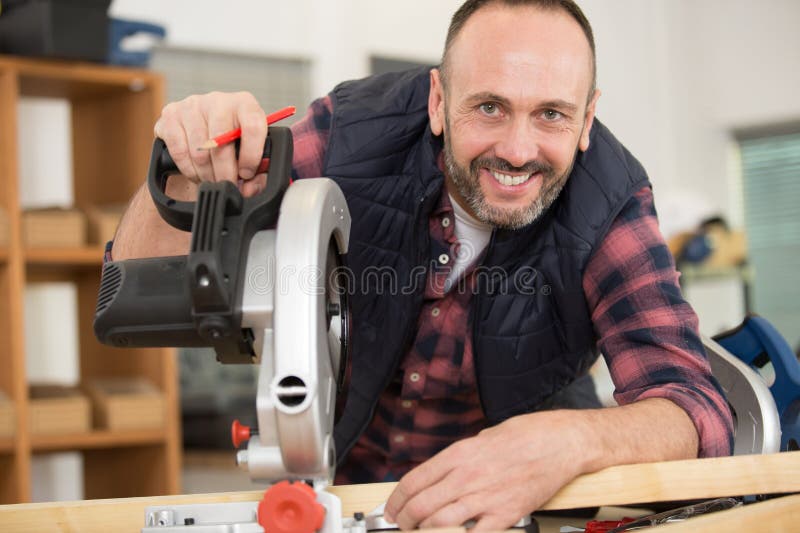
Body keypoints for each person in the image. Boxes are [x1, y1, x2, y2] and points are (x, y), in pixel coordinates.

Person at [112, 0, 734, 530]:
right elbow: (130, 292)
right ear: (438, 101)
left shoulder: (612, 202)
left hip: (522, 490)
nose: (518, 150)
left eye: (551, 113)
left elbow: (693, 407)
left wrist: (568, 440)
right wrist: (184, 166)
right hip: (342, 480)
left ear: (586, 119)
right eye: (489, 106)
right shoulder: (352, 134)